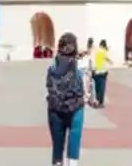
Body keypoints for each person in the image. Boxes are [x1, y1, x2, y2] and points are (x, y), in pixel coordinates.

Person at [46, 33, 86, 166]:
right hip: (76, 107)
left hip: (55, 108)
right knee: (74, 141)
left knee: (57, 146)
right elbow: (86, 85)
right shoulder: (80, 64)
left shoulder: (53, 65)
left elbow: (49, 85)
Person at [91, 39, 113, 107]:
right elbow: (108, 59)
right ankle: (100, 102)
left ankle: (97, 99)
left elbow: (92, 60)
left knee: (97, 87)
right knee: (102, 88)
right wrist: (110, 62)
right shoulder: (104, 51)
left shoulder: (95, 51)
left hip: (96, 72)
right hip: (103, 72)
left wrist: (92, 69)